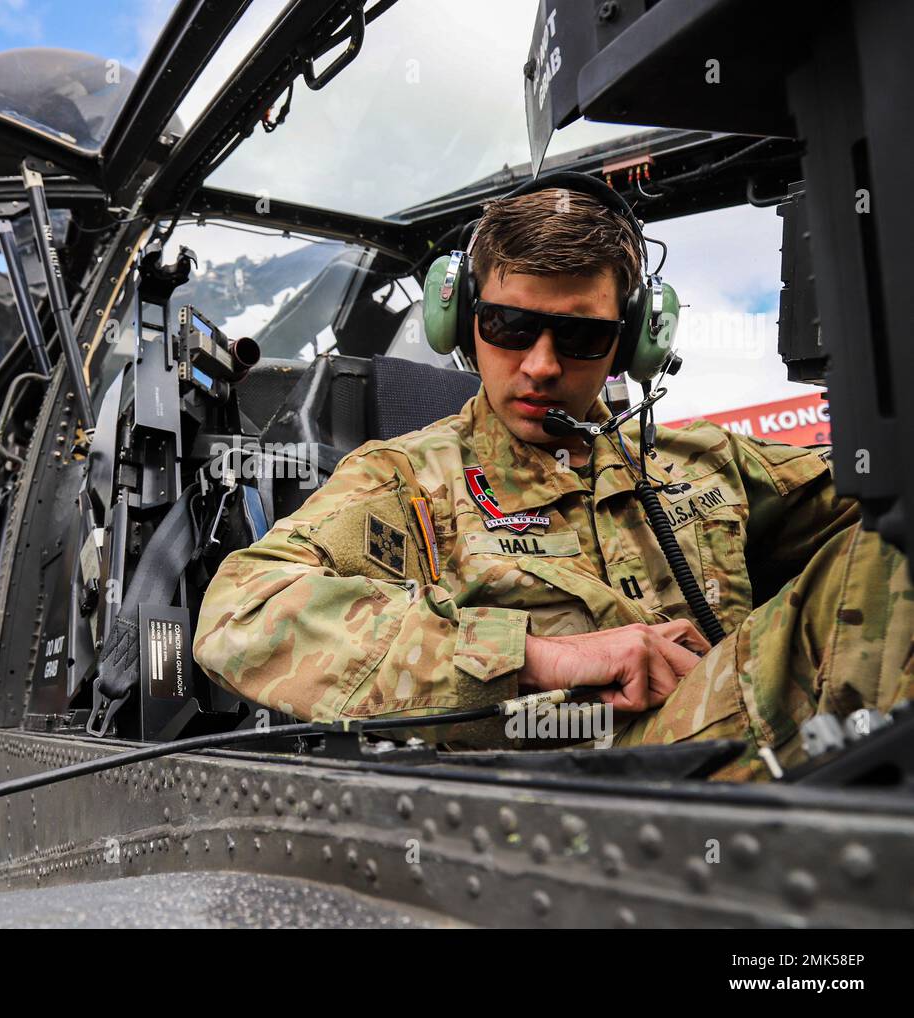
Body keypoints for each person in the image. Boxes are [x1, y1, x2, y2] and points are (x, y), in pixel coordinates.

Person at [193, 182, 913, 780]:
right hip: (566, 802)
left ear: (629, 344)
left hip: (751, 761)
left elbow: (879, 504)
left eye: (578, 336)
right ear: (462, 323)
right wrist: (539, 657)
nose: (540, 365)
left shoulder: (701, 459)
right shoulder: (411, 480)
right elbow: (238, 614)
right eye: (509, 325)